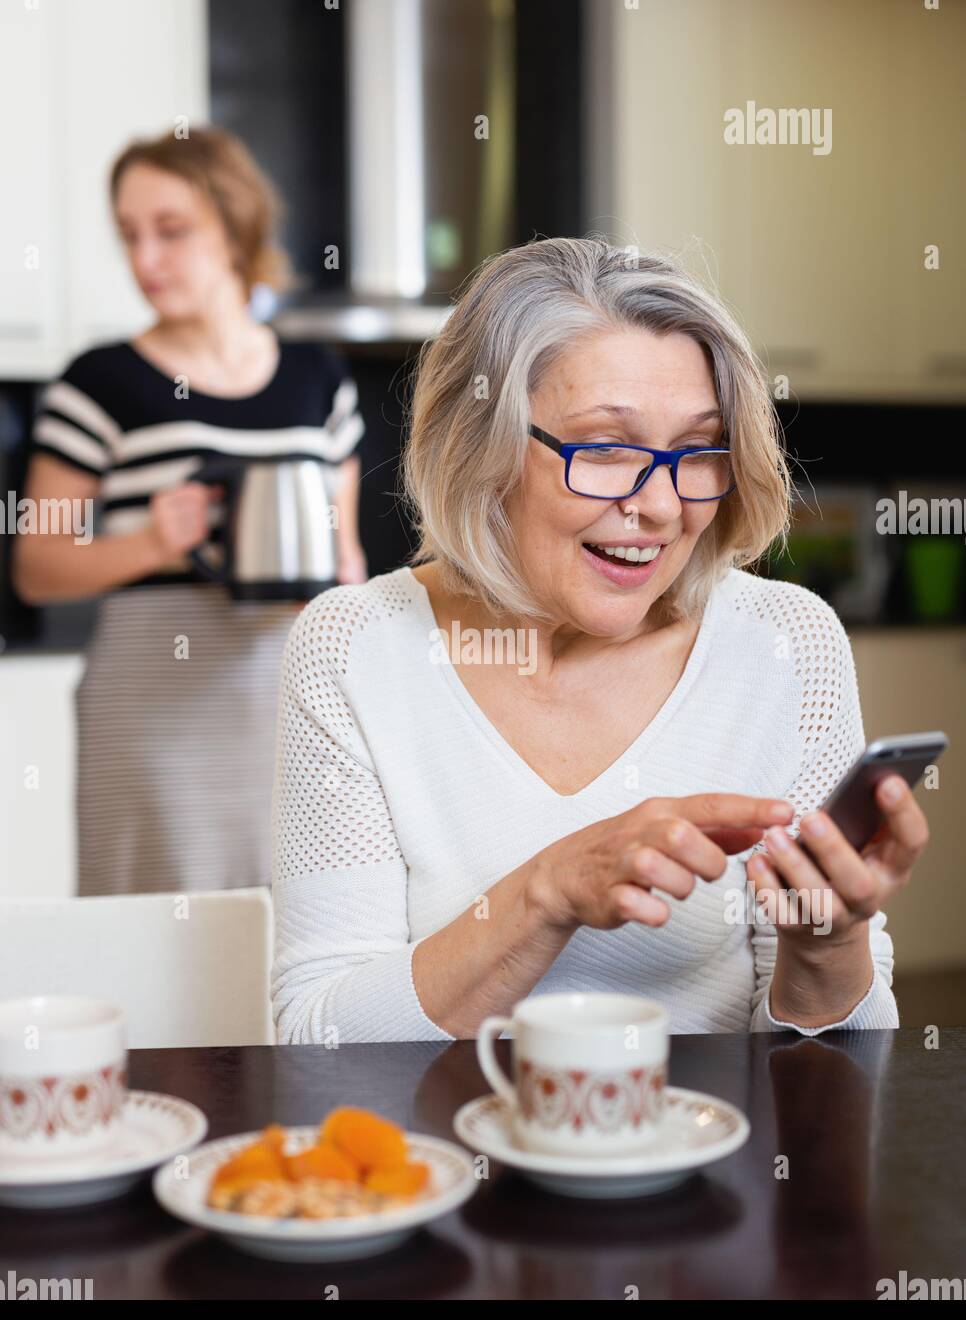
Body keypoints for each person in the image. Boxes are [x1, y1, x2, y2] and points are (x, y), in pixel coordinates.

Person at [270, 235, 928, 1043]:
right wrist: (546, 893)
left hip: (714, 1155)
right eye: (609, 450)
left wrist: (828, 945)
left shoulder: (787, 644)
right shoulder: (353, 647)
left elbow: (838, 1074)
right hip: (444, 1160)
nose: (658, 507)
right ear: (485, 447)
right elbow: (316, 1039)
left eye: (695, 451)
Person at [13, 127, 366, 895]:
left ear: (235, 225)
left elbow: (347, 555)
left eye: (171, 231)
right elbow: (37, 566)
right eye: (130, 236)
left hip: (292, 702)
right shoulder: (99, 382)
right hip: (152, 711)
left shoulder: (319, 380)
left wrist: (339, 575)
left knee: (299, 931)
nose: (146, 260)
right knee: (159, 946)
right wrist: (151, 542)